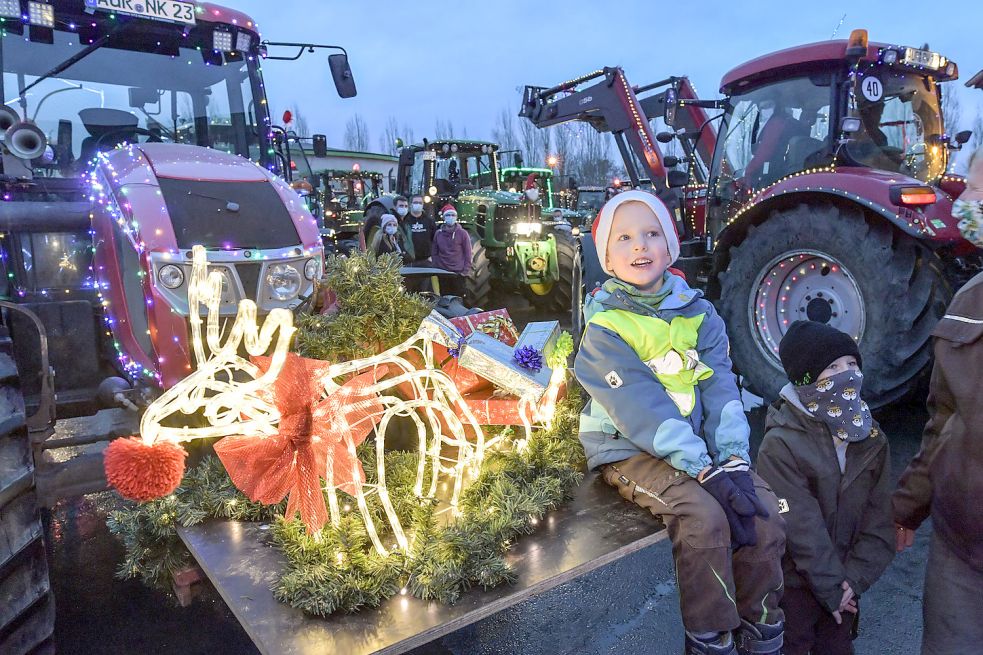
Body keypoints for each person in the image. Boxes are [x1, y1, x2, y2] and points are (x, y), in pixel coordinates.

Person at [574, 190, 786, 655]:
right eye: (624, 237)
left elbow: (720, 388)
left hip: (695, 446)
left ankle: (762, 624)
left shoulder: (700, 312)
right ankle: (709, 635)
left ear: (670, 246)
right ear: (606, 256)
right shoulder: (605, 327)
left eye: (652, 234)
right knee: (704, 519)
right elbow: (639, 406)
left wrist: (731, 458)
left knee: (762, 513)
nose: (639, 246)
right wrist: (703, 470)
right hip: (630, 446)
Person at [756, 320, 894, 655]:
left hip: (845, 584)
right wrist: (834, 588)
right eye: (832, 367)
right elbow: (801, 527)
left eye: (851, 364)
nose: (846, 373)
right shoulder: (781, 444)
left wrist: (851, 583)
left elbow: (881, 522)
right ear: (806, 379)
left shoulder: (871, 438)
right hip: (793, 586)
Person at [893, 157, 983, 655]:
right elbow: (945, 420)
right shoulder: (969, 304)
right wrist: (907, 504)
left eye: (975, 190)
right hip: (962, 549)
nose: (965, 203)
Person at [430, 204, 472, 299]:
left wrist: (464, 271)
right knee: (445, 298)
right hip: (443, 273)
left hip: (458, 274)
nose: (451, 218)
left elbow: (468, 253)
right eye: (448, 215)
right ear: (444, 217)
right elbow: (434, 252)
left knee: (458, 299)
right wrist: (437, 267)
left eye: (453, 215)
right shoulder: (438, 234)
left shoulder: (463, 234)